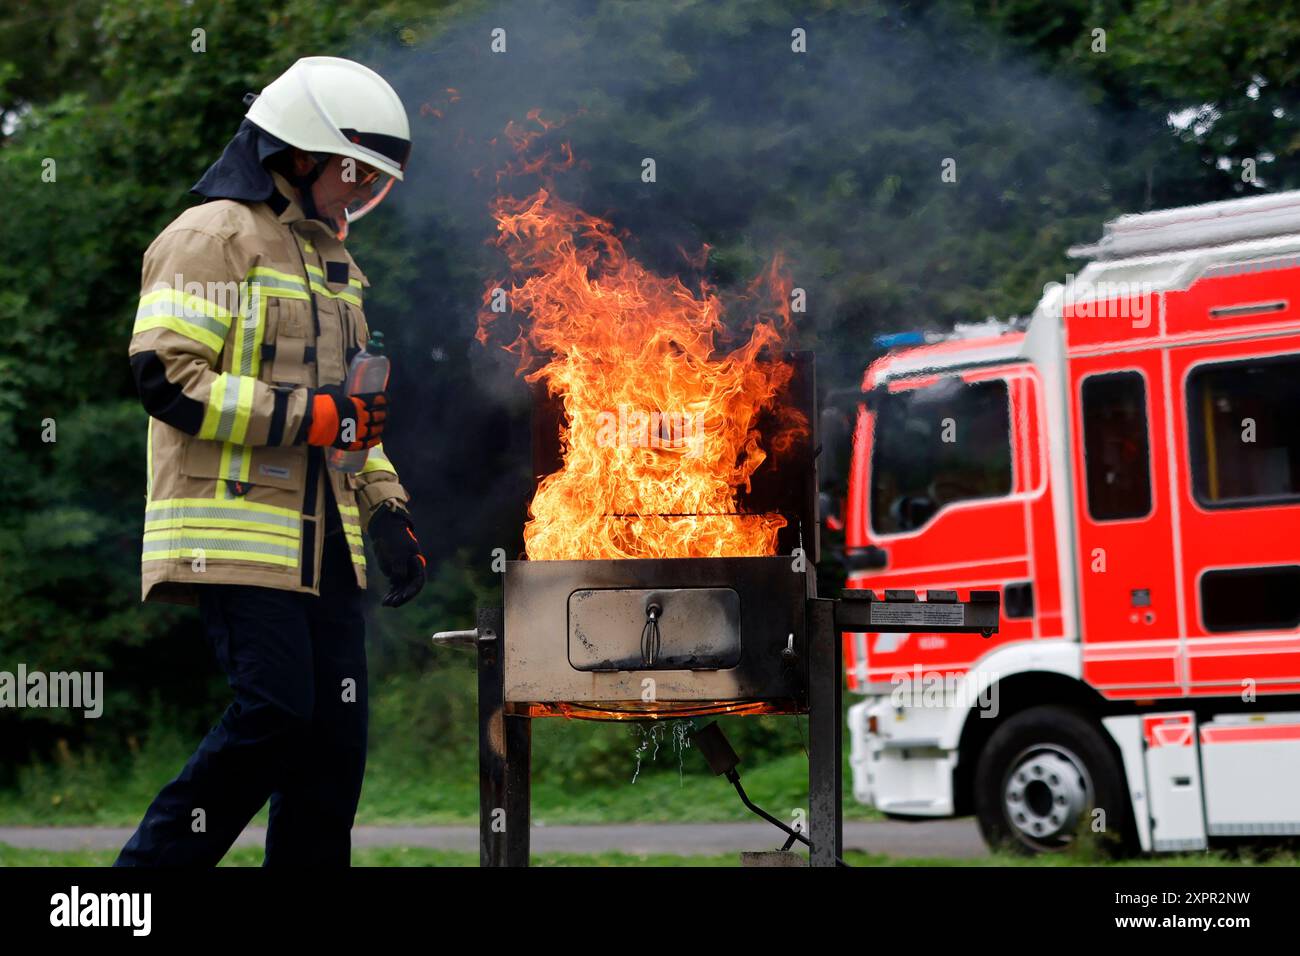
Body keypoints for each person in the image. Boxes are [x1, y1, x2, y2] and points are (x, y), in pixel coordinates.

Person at [116, 56, 426, 866]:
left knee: (334, 753)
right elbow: (167, 379)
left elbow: (356, 417)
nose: (361, 190)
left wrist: (388, 509)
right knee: (276, 714)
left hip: (327, 547)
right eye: (353, 170)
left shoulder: (336, 264)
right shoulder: (210, 236)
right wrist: (311, 416)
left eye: (372, 177)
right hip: (238, 536)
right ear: (298, 152)